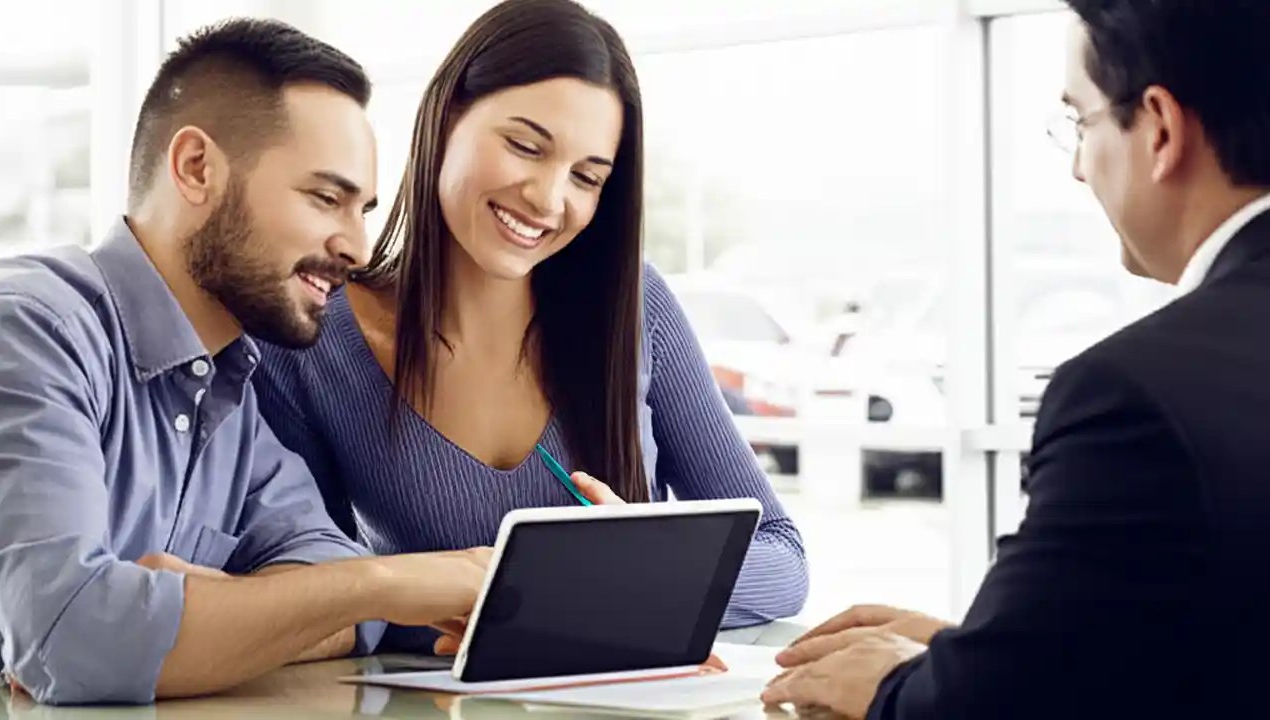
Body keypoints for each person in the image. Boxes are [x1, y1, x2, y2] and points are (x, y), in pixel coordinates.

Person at [762, 1, 1270, 717]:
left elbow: (989, 707)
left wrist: (901, 688)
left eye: (1081, 121)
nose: (1076, 167)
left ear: (1158, 127)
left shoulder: (1134, 394)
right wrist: (990, 646)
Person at [252, 0, 808, 652]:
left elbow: (781, 559)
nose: (548, 199)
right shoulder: (312, 338)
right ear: (448, 114)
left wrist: (634, 574)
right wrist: (476, 604)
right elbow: (309, 586)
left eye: (587, 177)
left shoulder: (634, 306)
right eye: (524, 146)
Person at [0, 19, 489, 706]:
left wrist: (212, 611)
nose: (358, 248)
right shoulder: (28, 329)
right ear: (196, 167)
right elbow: (70, 642)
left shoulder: (230, 384)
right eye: (325, 198)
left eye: (363, 209)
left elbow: (333, 576)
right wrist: (385, 584)